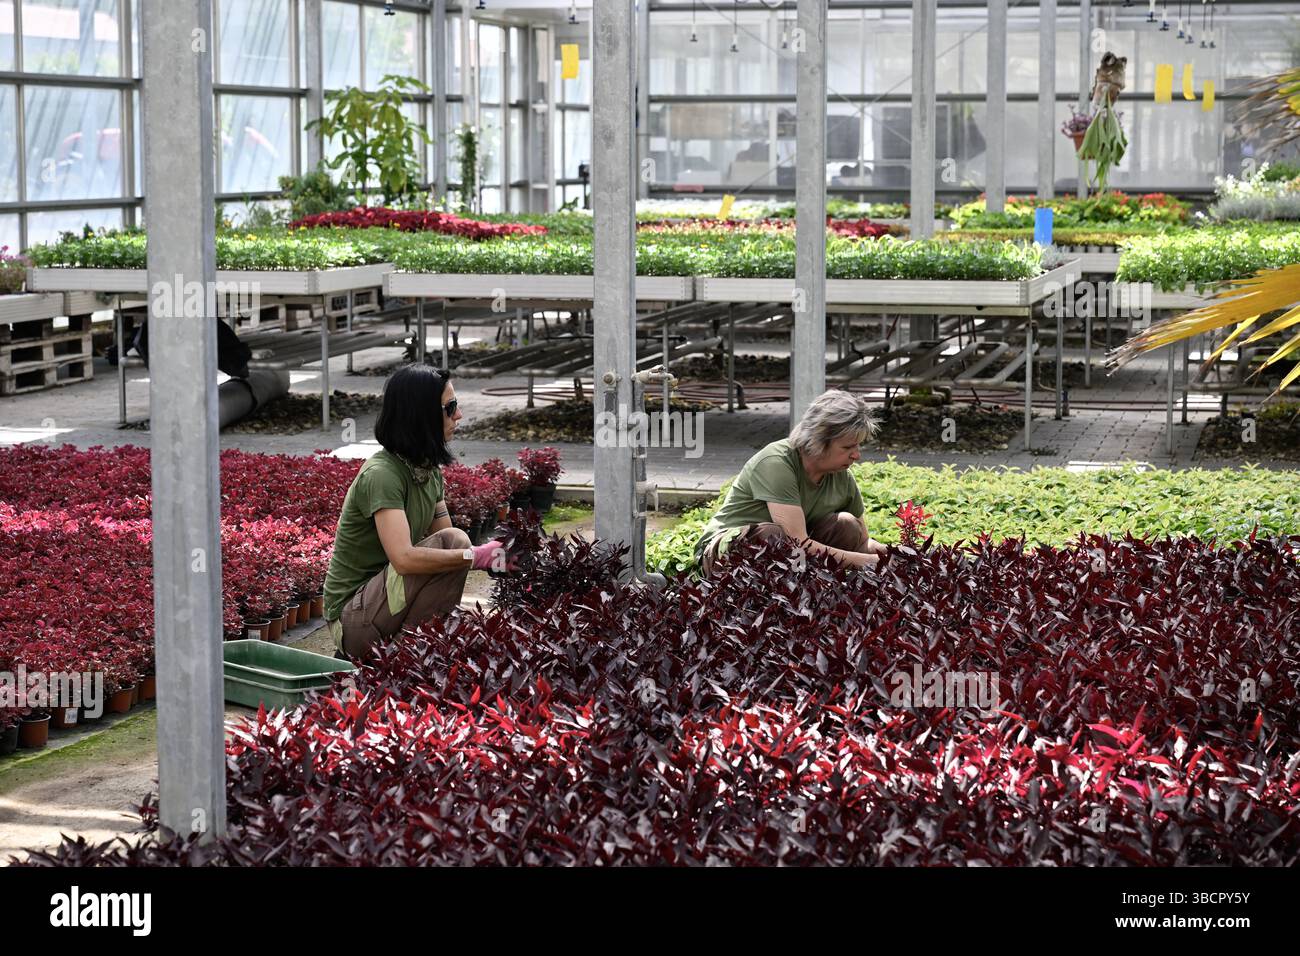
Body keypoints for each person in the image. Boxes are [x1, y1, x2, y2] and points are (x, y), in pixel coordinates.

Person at [322, 366, 505, 659]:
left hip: (383, 606)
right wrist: (477, 556)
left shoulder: (427, 471)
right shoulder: (382, 475)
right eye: (451, 408)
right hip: (354, 621)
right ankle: (411, 656)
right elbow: (404, 559)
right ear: (420, 415)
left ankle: (419, 652)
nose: (458, 416)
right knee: (459, 548)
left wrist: (502, 555)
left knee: (455, 543)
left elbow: (446, 539)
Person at [695, 389, 889, 574]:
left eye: (857, 446)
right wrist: (869, 562)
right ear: (818, 440)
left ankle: (813, 595)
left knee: (846, 524)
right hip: (721, 555)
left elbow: (863, 543)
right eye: (847, 447)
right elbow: (799, 542)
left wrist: (894, 555)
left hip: (793, 558)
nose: (857, 455)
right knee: (772, 535)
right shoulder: (776, 462)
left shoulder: (841, 475)